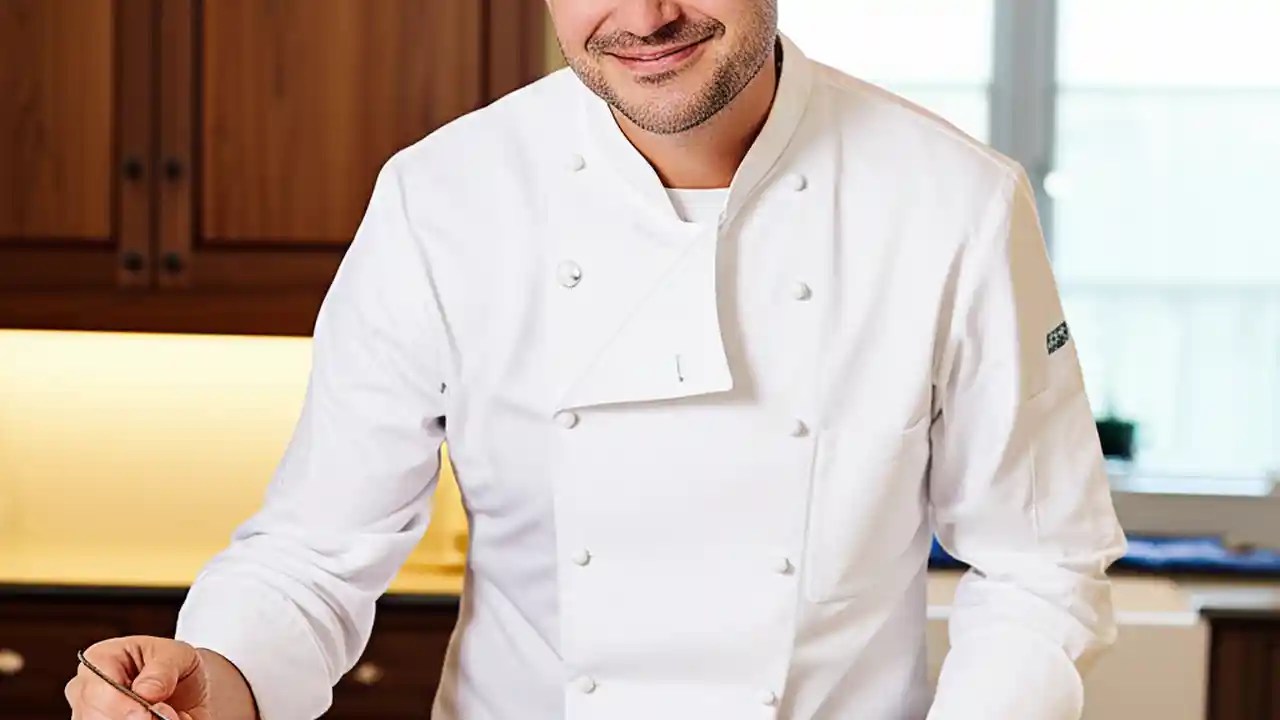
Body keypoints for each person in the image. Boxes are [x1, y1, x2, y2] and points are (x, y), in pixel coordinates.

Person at [65, 2, 1127, 719]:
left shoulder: (949, 202)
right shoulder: (443, 200)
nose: (647, 10)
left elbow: (1038, 563)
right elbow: (316, 548)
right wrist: (218, 674)